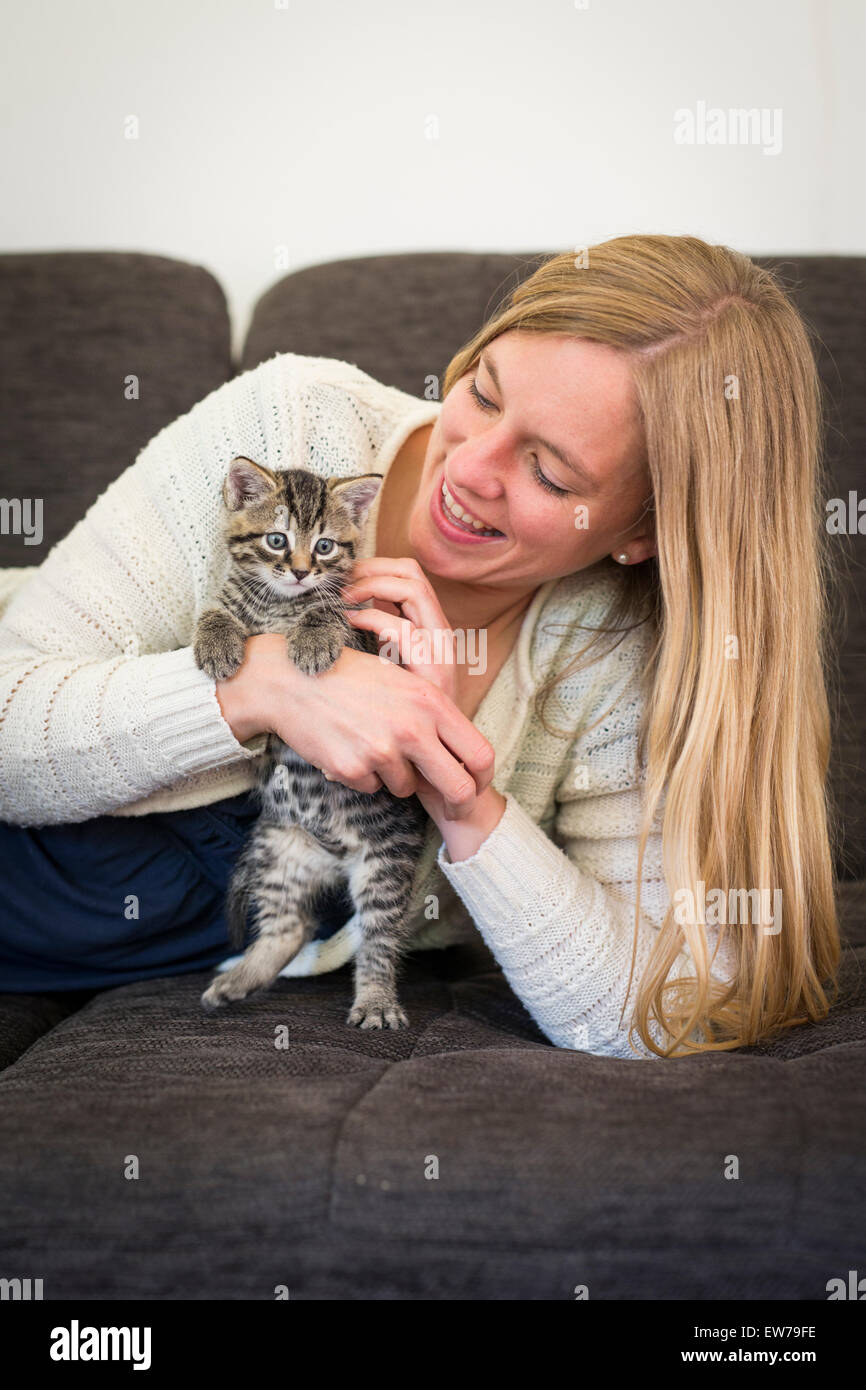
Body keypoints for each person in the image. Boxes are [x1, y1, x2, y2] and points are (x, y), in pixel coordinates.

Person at [0, 233, 842, 1059]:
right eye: (482, 393)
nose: (471, 468)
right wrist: (264, 688)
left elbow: (663, 1012)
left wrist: (460, 791)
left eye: (550, 473)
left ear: (643, 532)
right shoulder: (292, 420)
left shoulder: (611, 651)